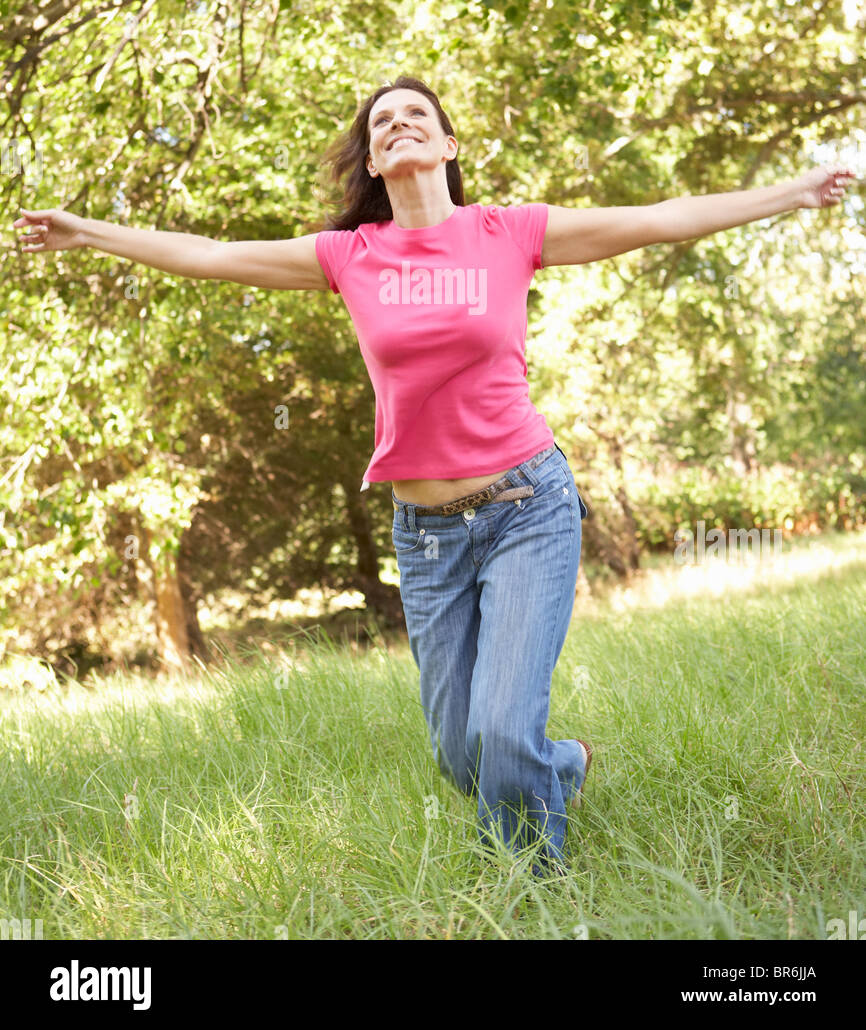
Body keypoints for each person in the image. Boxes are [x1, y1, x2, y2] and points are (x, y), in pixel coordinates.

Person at [13, 75, 855, 878]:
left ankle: (530, 892)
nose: (399, 124)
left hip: (528, 507)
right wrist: (89, 231)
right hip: (426, 536)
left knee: (498, 731)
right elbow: (207, 252)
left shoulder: (509, 233)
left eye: (417, 114)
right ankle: (560, 765)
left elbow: (664, 217)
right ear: (375, 163)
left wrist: (794, 190)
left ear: (448, 144)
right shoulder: (352, 255)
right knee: (464, 756)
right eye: (383, 123)